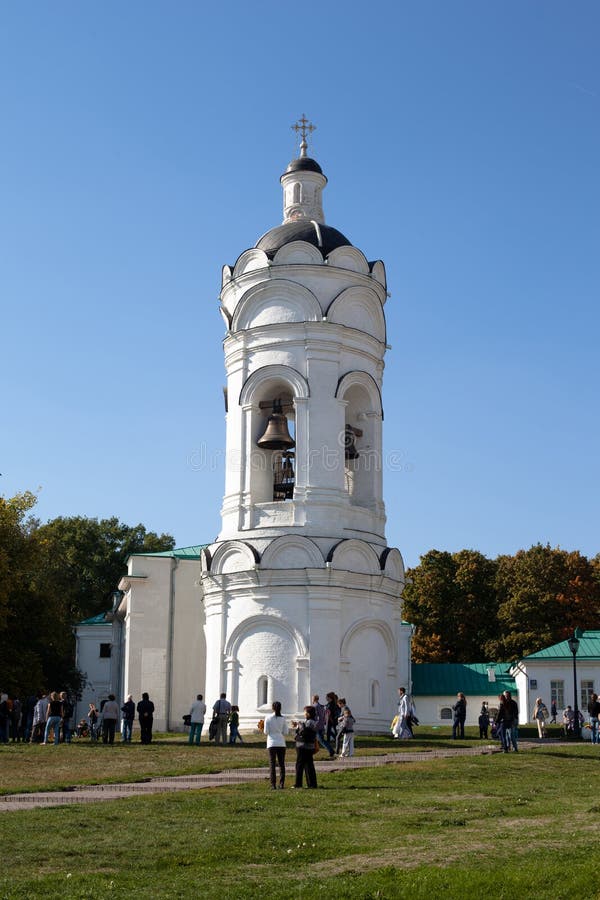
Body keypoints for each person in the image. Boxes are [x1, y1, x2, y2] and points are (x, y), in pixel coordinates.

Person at [292, 705, 318, 789]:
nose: (304, 713)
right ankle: (312, 783)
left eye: (305, 712)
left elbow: (303, 731)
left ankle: (298, 783)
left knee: (299, 765)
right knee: (309, 765)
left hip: (303, 746)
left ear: (309, 713)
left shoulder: (309, 722)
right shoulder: (313, 722)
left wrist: (299, 725)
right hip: (309, 746)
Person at [264, 700, 287, 789]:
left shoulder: (268, 718)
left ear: (272, 708)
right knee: (281, 764)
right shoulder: (283, 718)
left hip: (271, 742)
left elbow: (266, 731)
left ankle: (273, 784)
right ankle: (281, 784)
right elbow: (286, 731)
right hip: (281, 742)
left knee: (272, 764)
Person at [312, 694, 335, 758]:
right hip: (321, 725)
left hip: (317, 726)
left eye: (312, 698)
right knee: (318, 740)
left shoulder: (315, 706)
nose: (312, 700)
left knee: (321, 740)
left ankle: (331, 750)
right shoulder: (320, 706)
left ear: (314, 699)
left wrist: (315, 724)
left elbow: (316, 717)